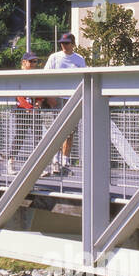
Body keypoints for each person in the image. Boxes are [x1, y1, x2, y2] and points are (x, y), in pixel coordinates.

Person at [44, 32, 86, 174]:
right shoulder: (54, 57)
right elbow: (45, 76)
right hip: (57, 98)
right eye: (62, 43)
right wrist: (49, 96)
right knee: (56, 130)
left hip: (72, 99)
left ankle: (65, 161)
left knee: (69, 132)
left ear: (73, 44)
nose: (64, 45)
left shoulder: (79, 59)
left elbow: (83, 79)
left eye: (66, 43)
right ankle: (55, 160)